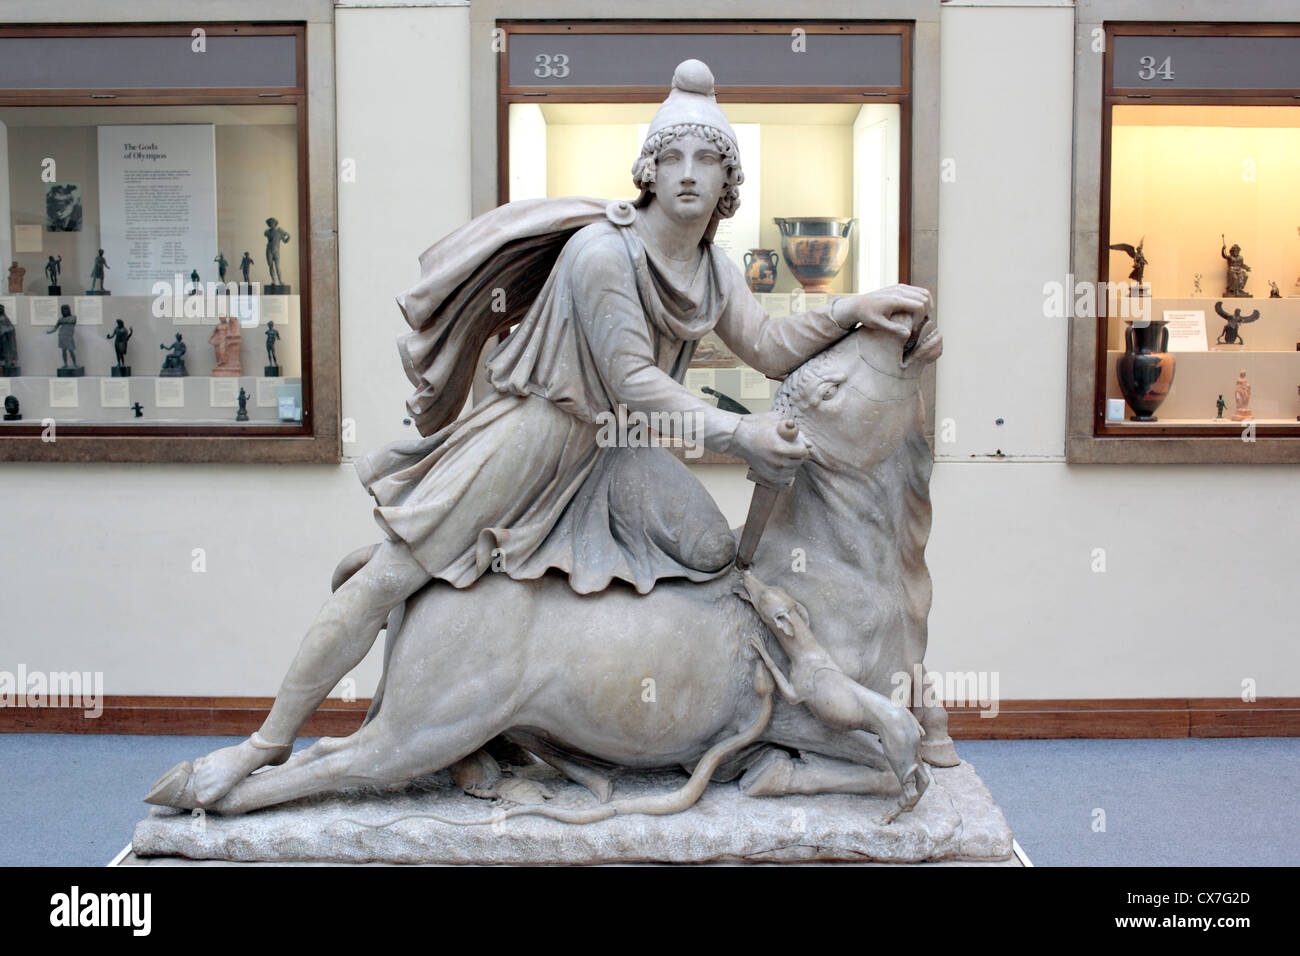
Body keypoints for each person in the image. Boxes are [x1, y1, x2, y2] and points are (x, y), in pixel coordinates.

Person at [145, 59, 932, 810]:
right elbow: (635, 383)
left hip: (613, 450)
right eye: (673, 157)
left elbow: (765, 345)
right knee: (389, 577)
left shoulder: (715, 269)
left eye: (709, 160)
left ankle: (597, 709)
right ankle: (264, 745)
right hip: (533, 437)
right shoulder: (602, 253)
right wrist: (741, 437)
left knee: (707, 551)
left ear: (730, 181)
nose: (690, 173)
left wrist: (851, 308)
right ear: (648, 173)